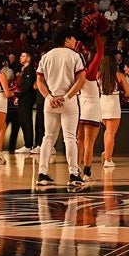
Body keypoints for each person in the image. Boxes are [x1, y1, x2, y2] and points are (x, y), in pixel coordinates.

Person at [36, 26, 87, 187]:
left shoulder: (46, 56)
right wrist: (66, 97)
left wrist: (50, 96)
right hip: (68, 101)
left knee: (48, 137)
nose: (75, 41)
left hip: (50, 101)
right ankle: (73, 174)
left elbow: (39, 81)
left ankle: (42, 173)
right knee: (70, 138)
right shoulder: (75, 56)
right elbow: (81, 80)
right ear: (66, 39)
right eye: (73, 38)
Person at [77, 35, 106, 180]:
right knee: (89, 142)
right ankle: (87, 173)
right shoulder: (90, 73)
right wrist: (96, 34)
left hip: (80, 109)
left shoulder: (77, 72)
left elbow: (76, 54)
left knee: (79, 141)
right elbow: (100, 52)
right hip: (91, 110)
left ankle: (75, 170)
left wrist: (80, 42)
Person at [99, 51, 129, 169]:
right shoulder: (119, 75)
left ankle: (106, 152)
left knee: (107, 131)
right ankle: (108, 160)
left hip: (101, 103)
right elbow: (128, 92)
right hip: (113, 104)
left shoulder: (98, 75)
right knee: (111, 133)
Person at [7, 51, 38, 154]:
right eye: (20, 56)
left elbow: (27, 86)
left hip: (27, 98)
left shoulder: (29, 70)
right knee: (23, 120)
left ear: (29, 58)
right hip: (23, 98)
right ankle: (27, 144)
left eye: (23, 56)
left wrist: (17, 96)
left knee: (26, 121)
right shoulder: (24, 69)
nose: (20, 57)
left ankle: (28, 145)